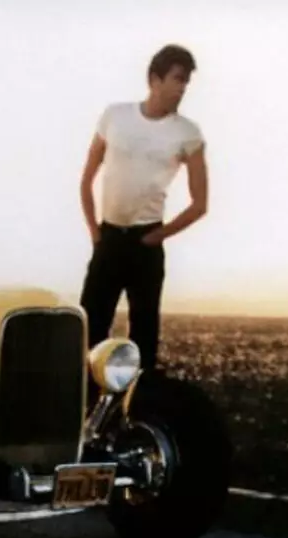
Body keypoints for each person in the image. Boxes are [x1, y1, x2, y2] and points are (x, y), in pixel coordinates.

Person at [78, 43, 209, 384]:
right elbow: (87, 177)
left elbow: (200, 204)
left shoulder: (187, 133)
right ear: (155, 79)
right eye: (177, 79)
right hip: (108, 237)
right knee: (89, 329)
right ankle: (85, 409)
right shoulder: (115, 116)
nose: (182, 88)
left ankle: (138, 414)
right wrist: (95, 230)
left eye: (186, 82)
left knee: (144, 338)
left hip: (146, 244)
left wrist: (157, 236)